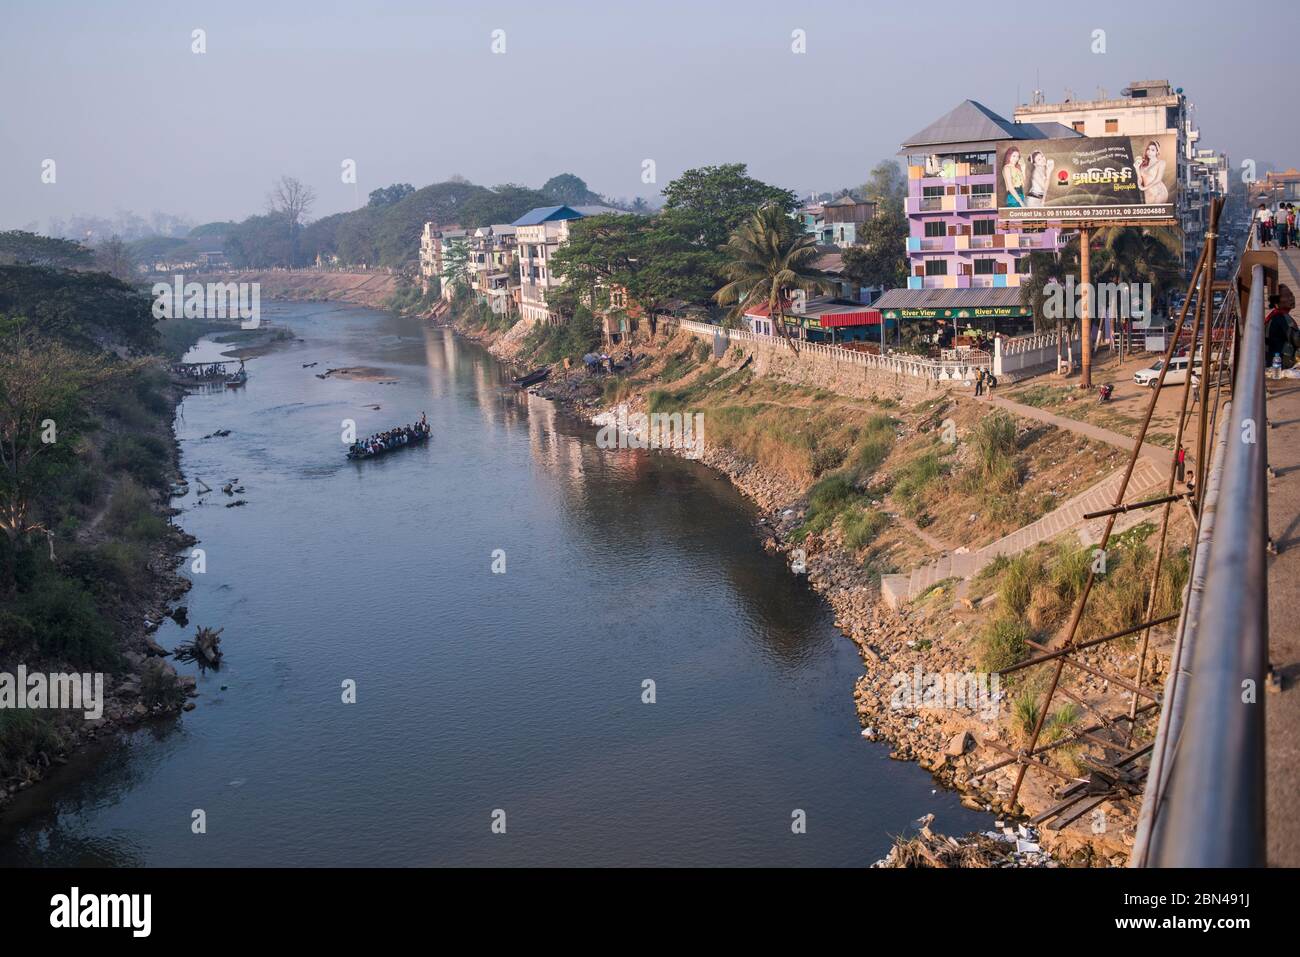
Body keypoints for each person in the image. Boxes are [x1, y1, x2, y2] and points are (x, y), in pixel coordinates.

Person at [1135, 141, 1168, 206]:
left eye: (1152, 150)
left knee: (1158, 213)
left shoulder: (1161, 163)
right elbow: (1140, 179)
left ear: (1157, 151)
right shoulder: (1143, 165)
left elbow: (1158, 179)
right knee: (1150, 214)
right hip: (1148, 194)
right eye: (1148, 149)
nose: (1149, 152)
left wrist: (1144, 188)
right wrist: (1137, 168)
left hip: (1159, 192)